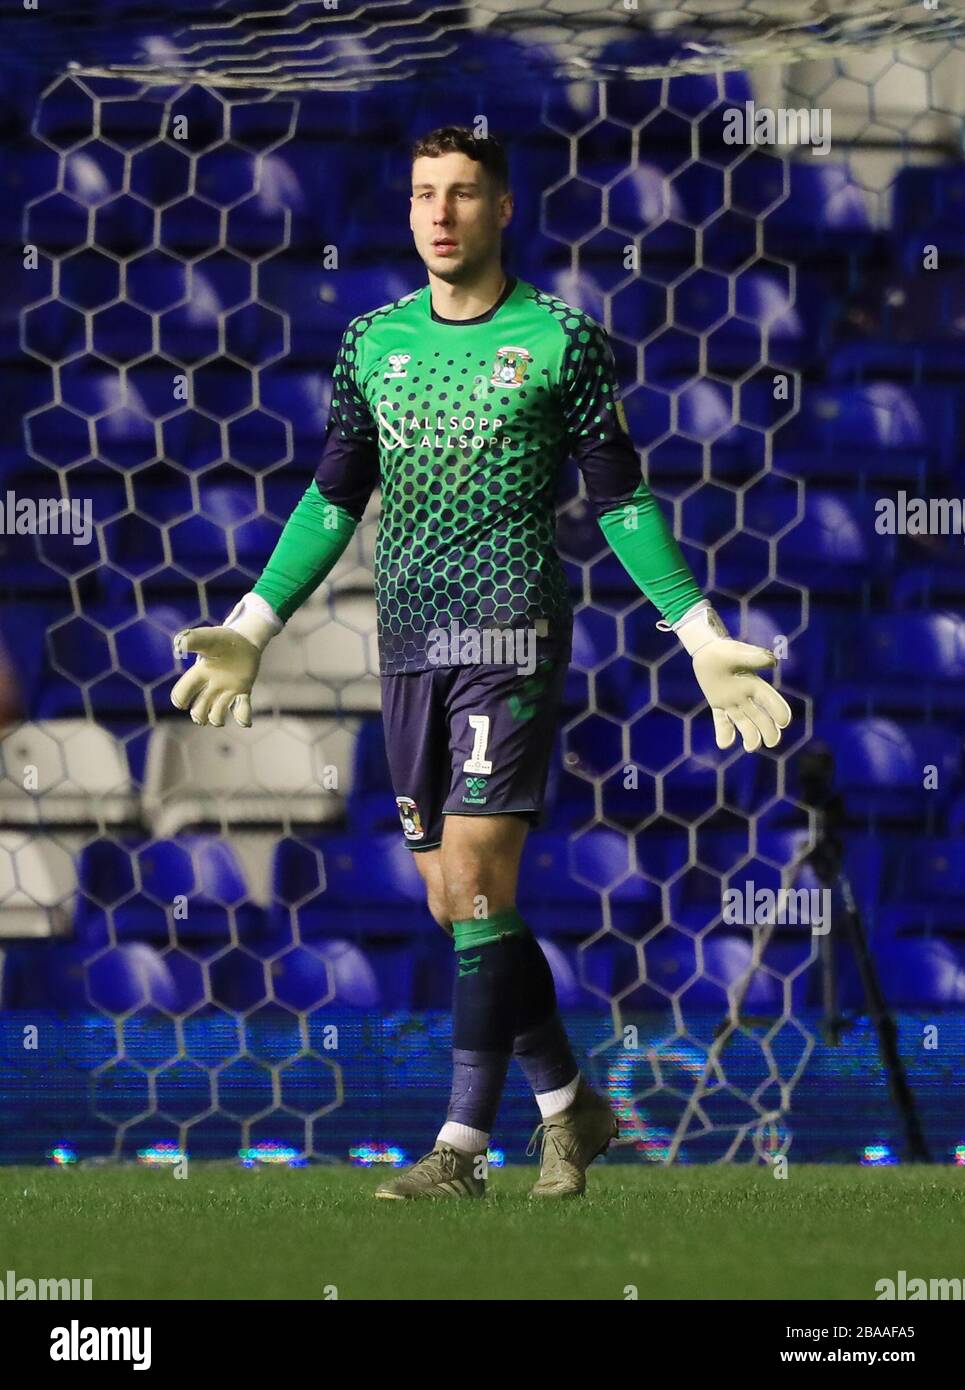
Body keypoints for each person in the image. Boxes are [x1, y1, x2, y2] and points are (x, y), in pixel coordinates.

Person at [171, 126, 792, 1199]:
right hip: (405, 643)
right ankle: (572, 1104)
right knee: (454, 907)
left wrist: (696, 633)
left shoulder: (559, 339)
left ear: (502, 209)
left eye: (462, 194)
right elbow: (332, 497)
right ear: (408, 210)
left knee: (471, 879)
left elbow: (620, 498)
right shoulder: (372, 343)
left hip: (510, 635)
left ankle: (459, 1148)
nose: (441, 213)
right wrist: (255, 623)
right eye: (423, 194)